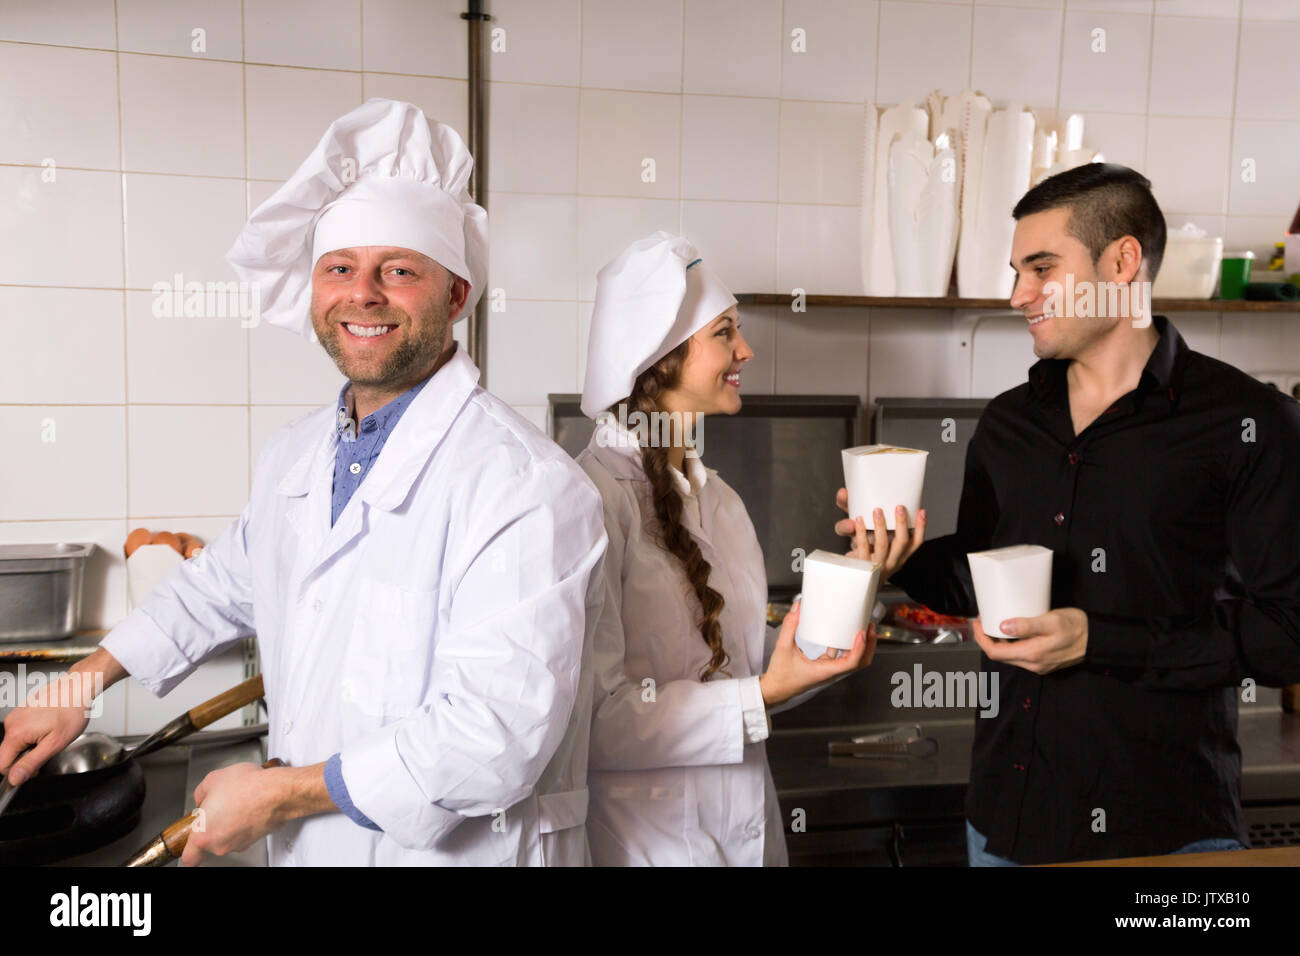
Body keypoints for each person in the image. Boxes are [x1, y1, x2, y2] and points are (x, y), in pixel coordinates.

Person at [0, 99, 608, 866]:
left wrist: (281, 793)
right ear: (315, 288)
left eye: (400, 269)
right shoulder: (296, 456)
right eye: (341, 268)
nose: (364, 294)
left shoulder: (525, 486)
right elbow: (218, 584)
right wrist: (79, 683)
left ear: (457, 295)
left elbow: (494, 737)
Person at [841, 163, 1300, 865]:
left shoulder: (1251, 423)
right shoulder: (1007, 425)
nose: (1019, 293)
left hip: (1165, 833)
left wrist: (1100, 640)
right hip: (1003, 825)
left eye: (1041, 267)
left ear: (1121, 262)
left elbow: (1289, 634)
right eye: (1017, 270)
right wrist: (900, 554)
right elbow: (976, 584)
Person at [577, 232, 910, 866]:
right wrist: (760, 696)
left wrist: (861, 578)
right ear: (662, 356)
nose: (746, 350)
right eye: (725, 333)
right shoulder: (591, 499)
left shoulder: (720, 500)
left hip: (750, 841)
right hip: (647, 848)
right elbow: (597, 722)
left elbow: (758, 666)